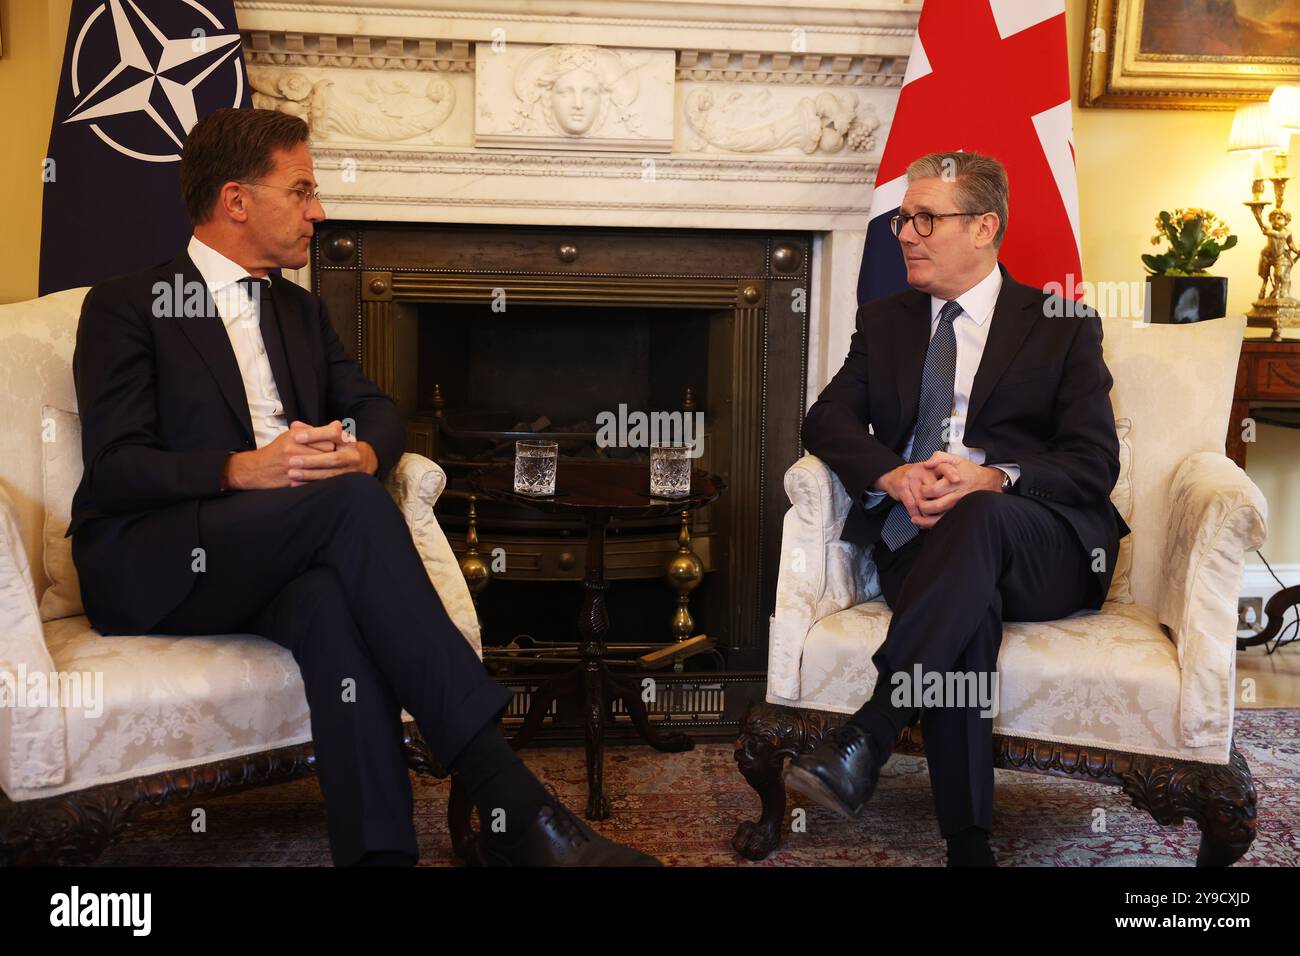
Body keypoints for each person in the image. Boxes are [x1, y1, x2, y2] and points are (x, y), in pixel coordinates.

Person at [68, 107, 657, 868]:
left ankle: (380, 856)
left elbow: (376, 408)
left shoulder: (300, 310)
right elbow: (115, 466)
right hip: (158, 558)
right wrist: (240, 468)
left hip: (282, 549)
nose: (320, 211)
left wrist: (364, 455)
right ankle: (512, 800)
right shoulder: (124, 305)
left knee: (329, 607)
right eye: (302, 190)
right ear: (237, 200)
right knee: (347, 511)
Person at [785, 151, 1129, 866]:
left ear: (983, 226)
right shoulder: (886, 322)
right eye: (902, 220)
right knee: (960, 606)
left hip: (1045, 547)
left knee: (974, 524)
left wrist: (993, 478)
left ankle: (872, 730)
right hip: (923, 542)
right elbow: (826, 421)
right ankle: (969, 848)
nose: (906, 235)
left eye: (924, 219)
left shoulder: (1062, 322)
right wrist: (895, 474)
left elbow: (1093, 465)